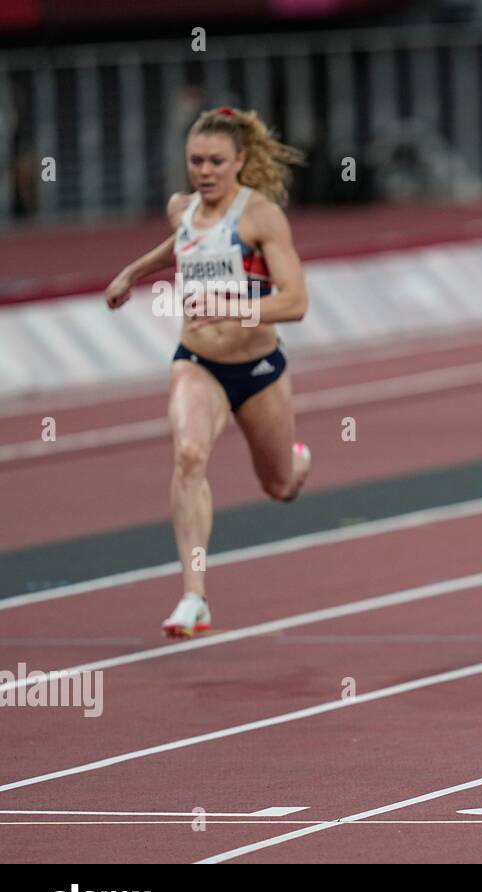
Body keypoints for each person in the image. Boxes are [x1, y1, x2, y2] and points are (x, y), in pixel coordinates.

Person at [105, 106, 311, 638]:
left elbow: (295, 301)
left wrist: (235, 309)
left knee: (280, 485)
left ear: (239, 160)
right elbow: (180, 246)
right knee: (190, 454)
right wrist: (132, 272)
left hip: (259, 367)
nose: (205, 171)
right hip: (198, 361)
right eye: (196, 160)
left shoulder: (260, 216)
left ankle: (296, 460)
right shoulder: (182, 208)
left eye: (216, 161)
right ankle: (194, 597)